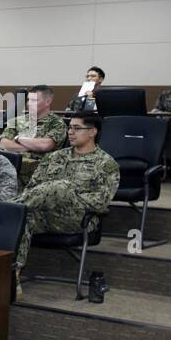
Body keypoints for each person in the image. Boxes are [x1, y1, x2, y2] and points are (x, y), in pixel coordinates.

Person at [13, 113, 119, 271]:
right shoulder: (54, 157)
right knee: (21, 219)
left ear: (92, 132)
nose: (70, 132)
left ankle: (7, 209)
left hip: (78, 219)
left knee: (61, 187)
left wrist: (67, 194)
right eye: (69, 128)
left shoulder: (106, 163)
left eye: (77, 128)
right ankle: (12, 275)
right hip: (45, 215)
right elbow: (32, 187)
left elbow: (100, 202)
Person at [0, 85, 66, 186]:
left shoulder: (57, 123)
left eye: (34, 101)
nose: (29, 104)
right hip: (11, 167)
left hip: (39, 171)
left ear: (47, 102)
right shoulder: (18, 120)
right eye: (28, 100)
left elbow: (45, 145)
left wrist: (18, 138)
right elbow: (3, 144)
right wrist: (31, 147)